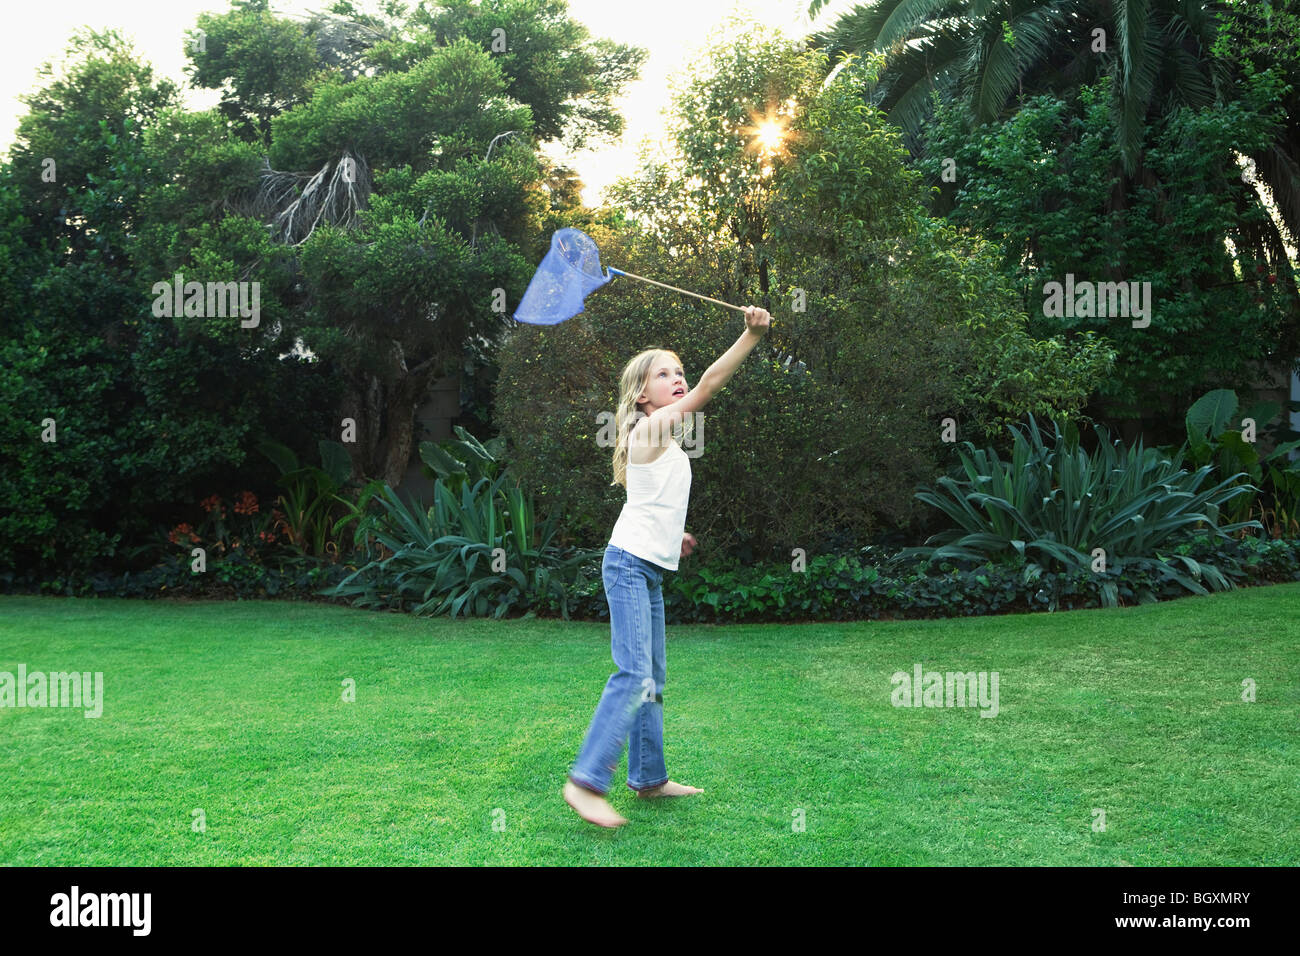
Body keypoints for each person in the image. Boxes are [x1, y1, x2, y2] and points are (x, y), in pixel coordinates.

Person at [563, 304, 772, 827]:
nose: (678, 380)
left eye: (679, 371)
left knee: (652, 678)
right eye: (665, 374)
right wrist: (751, 335)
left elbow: (648, 501)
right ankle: (585, 783)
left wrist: (672, 535)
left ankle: (649, 779)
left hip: (648, 567)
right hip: (629, 565)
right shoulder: (651, 429)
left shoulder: (662, 441)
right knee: (633, 676)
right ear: (642, 394)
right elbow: (709, 387)